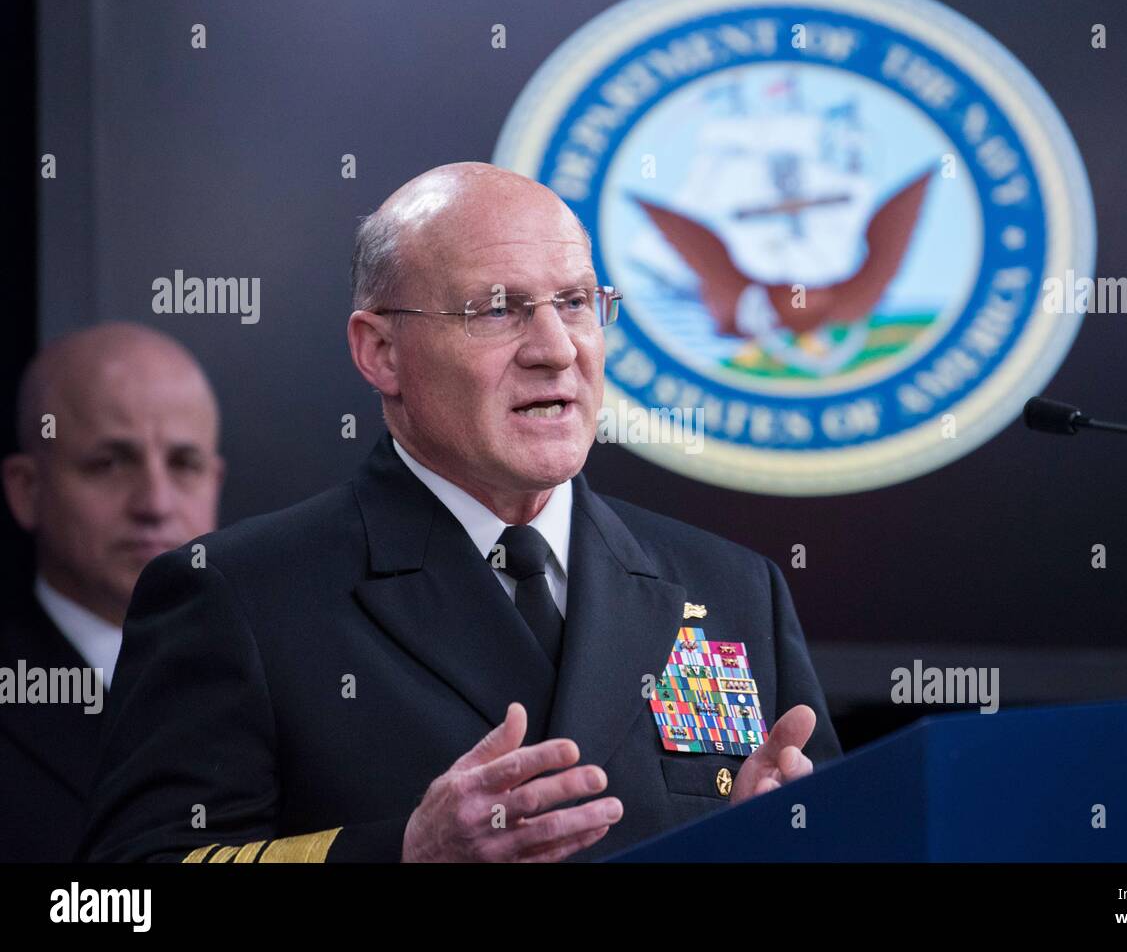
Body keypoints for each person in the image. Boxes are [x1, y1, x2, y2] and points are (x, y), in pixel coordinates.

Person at [79, 163, 841, 864]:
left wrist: (777, 842)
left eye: (576, 303)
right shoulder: (239, 595)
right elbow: (112, 902)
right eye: (498, 309)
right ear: (381, 352)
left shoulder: (737, 587)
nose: (556, 349)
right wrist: (407, 855)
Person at [1, 323, 223, 861]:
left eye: (183, 464)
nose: (154, 503)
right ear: (27, 490)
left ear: (215, 483)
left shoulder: (289, 681)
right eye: (108, 463)